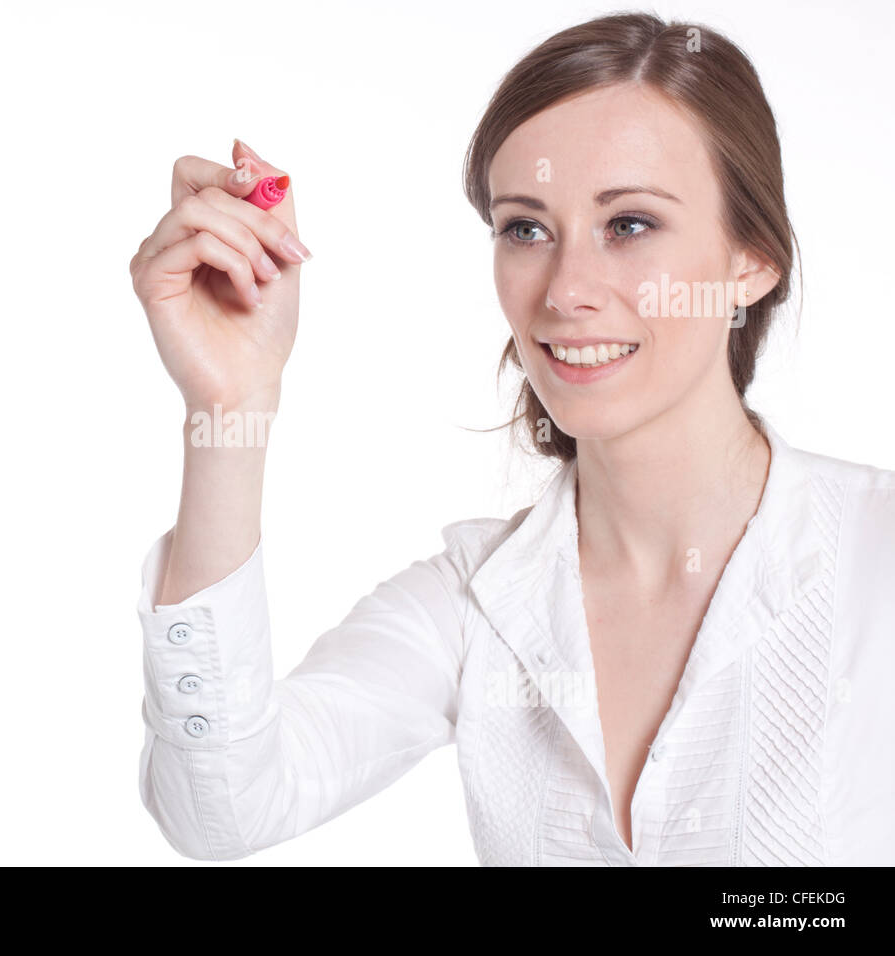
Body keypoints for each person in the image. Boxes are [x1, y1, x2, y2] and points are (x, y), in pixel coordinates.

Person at [126, 11, 895, 865]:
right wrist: (232, 402)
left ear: (750, 259)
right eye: (526, 227)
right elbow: (224, 808)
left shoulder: (875, 556)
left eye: (629, 224)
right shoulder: (477, 603)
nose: (566, 290)